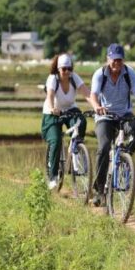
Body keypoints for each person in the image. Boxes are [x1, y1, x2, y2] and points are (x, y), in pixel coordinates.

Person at [90, 43, 135, 205]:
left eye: (119, 60)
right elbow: (93, 94)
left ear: (123, 60)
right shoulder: (100, 74)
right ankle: (99, 190)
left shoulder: (129, 73)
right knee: (104, 147)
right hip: (105, 116)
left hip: (125, 114)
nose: (116, 64)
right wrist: (97, 107)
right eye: (113, 60)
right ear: (107, 59)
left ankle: (124, 158)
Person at [41, 53, 94, 189]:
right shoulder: (53, 79)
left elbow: (86, 93)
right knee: (56, 139)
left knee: (81, 121)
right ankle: (53, 176)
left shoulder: (74, 78)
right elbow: (50, 94)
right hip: (52, 112)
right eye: (64, 69)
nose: (66, 72)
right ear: (58, 69)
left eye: (69, 69)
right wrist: (53, 108)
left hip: (70, 109)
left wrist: (97, 107)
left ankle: (75, 146)